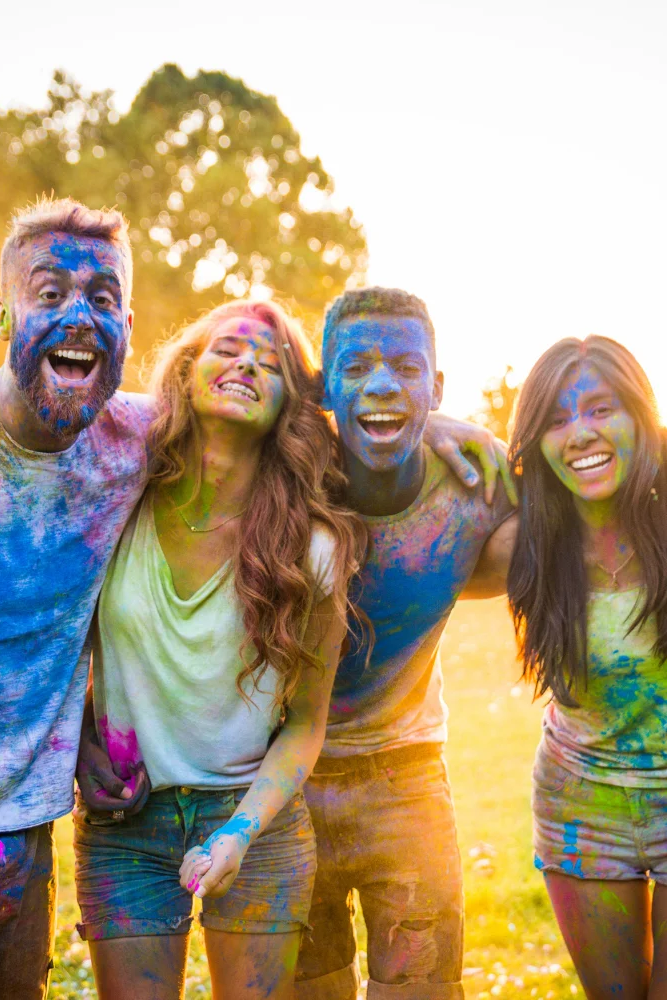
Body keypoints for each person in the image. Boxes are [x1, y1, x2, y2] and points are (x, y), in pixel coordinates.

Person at [0, 200, 511, 1000]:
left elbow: (316, 417)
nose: (78, 314)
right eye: (49, 294)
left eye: (102, 297)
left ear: (130, 331)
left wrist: (441, 426)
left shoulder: (138, 440)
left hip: (28, 829)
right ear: (1, 318)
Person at [73, 299, 364, 1000]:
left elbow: (304, 724)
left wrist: (239, 831)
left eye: (270, 364)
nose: (247, 365)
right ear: (185, 370)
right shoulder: (115, 502)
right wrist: (80, 743)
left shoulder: (313, 550)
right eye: (227, 350)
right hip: (125, 826)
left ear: (289, 405)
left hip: (253, 823)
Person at [293, 288, 516, 999]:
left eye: (405, 368)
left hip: (407, 780)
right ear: (323, 387)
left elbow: (569, 499)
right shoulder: (284, 481)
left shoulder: (477, 491)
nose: (382, 383)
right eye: (355, 367)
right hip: (279, 784)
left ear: (436, 384)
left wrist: (461, 431)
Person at [471, 336, 667, 997]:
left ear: (640, 415)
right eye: (557, 418)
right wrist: (444, 426)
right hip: (581, 807)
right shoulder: (524, 546)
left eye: (601, 408)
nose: (580, 433)